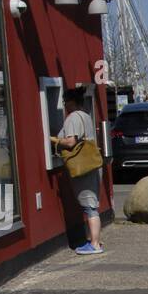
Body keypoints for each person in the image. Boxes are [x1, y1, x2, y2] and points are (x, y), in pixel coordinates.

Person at [56, 88, 104, 255]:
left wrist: (56, 141)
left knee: (89, 206)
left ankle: (95, 244)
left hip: (83, 167)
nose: (64, 105)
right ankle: (94, 240)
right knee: (92, 204)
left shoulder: (73, 118)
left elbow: (71, 142)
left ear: (71, 102)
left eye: (65, 102)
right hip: (92, 164)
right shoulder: (85, 116)